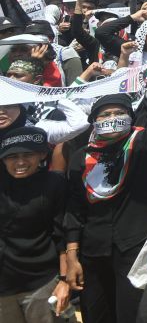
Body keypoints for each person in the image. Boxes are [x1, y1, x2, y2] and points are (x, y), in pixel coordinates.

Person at [65, 85, 147, 323]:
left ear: (130, 117)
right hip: (93, 249)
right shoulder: (80, 157)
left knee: (131, 313)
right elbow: (74, 209)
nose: (112, 119)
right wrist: (71, 256)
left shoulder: (143, 143)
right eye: (105, 115)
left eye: (119, 113)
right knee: (96, 312)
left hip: (136, 248)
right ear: (94, 121)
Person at [0, 127, 71, 323]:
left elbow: (61, 235)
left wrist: (64, 281)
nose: (20, 162)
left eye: (28, 154)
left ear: (41, 155)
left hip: (42, 283)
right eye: (12, 156)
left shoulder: (54, 184)